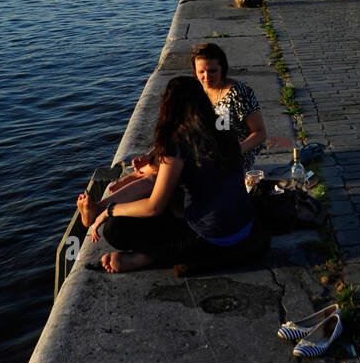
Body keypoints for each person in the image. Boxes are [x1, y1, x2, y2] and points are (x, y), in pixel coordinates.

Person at [85, 77, 269, 274]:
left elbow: (153, 208)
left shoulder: (179, 140)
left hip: (210, 239)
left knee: (115, 228)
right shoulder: (223, 130)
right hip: (243, 226)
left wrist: (109, 210)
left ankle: (146, 257)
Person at [190, 42, 266, 171]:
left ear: (223, 68)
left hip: (235, 154)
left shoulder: (238, 92)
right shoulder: (196, 92)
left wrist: (235, 151)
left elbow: (260, 133)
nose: (207, 77)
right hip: (204, 151)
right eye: (201, 72)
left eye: (212, 71)